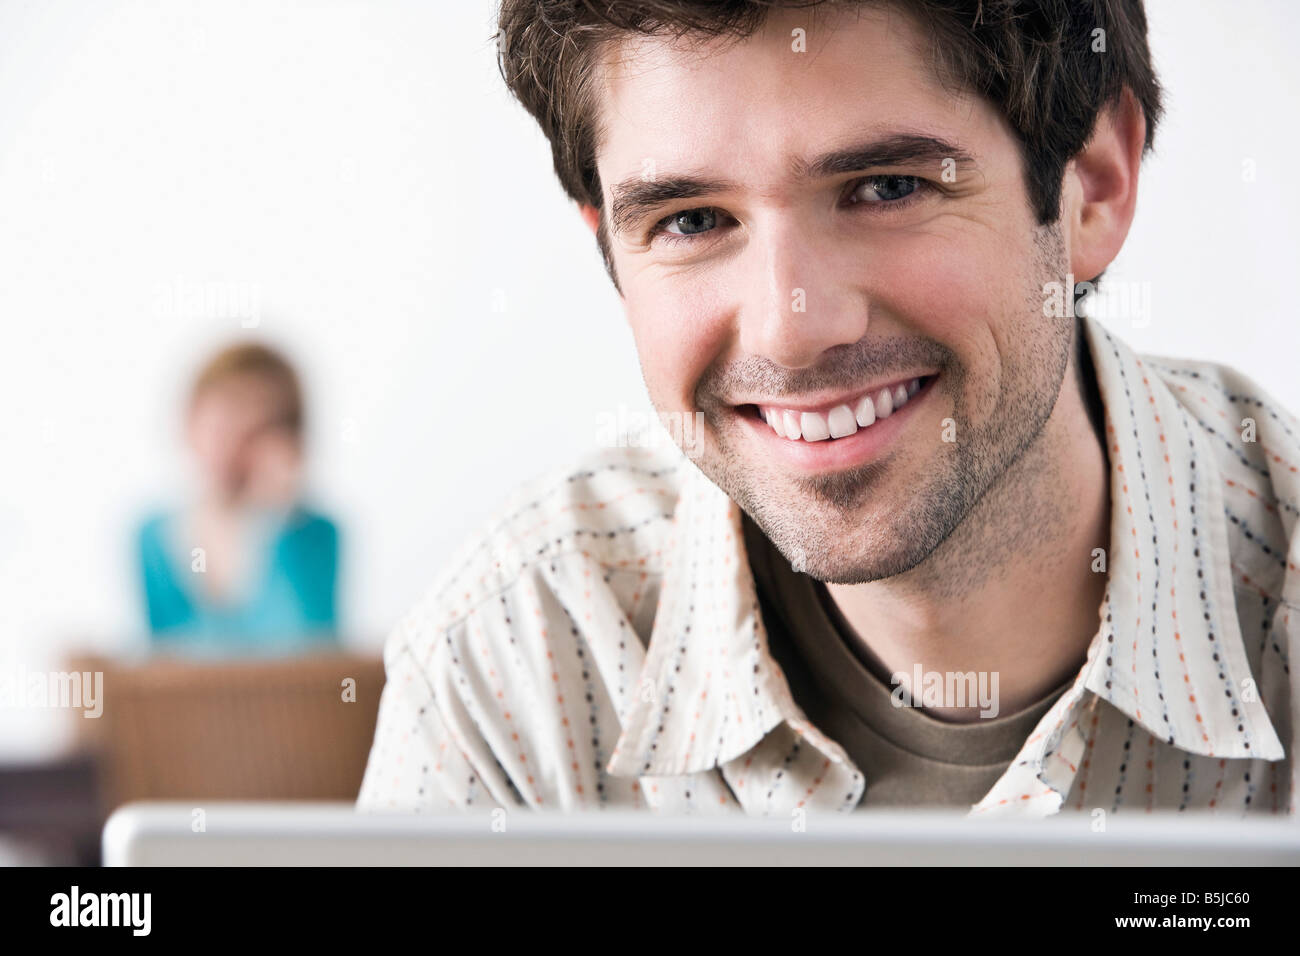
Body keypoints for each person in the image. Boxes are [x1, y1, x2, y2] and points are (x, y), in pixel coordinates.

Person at [360, 1, 1298, 817]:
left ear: (1093, 180)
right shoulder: (508, 662)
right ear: (609, 246)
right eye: (691, 221)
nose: (791, 329)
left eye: (887, 188)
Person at [137, 342, 340, 656]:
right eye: (225, 421)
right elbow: (158, 664)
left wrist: (276, 523)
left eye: (258, 429)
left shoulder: (314, 535)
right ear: (191, 422)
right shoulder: (151, 538)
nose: (235, 445)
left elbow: (309, 654)